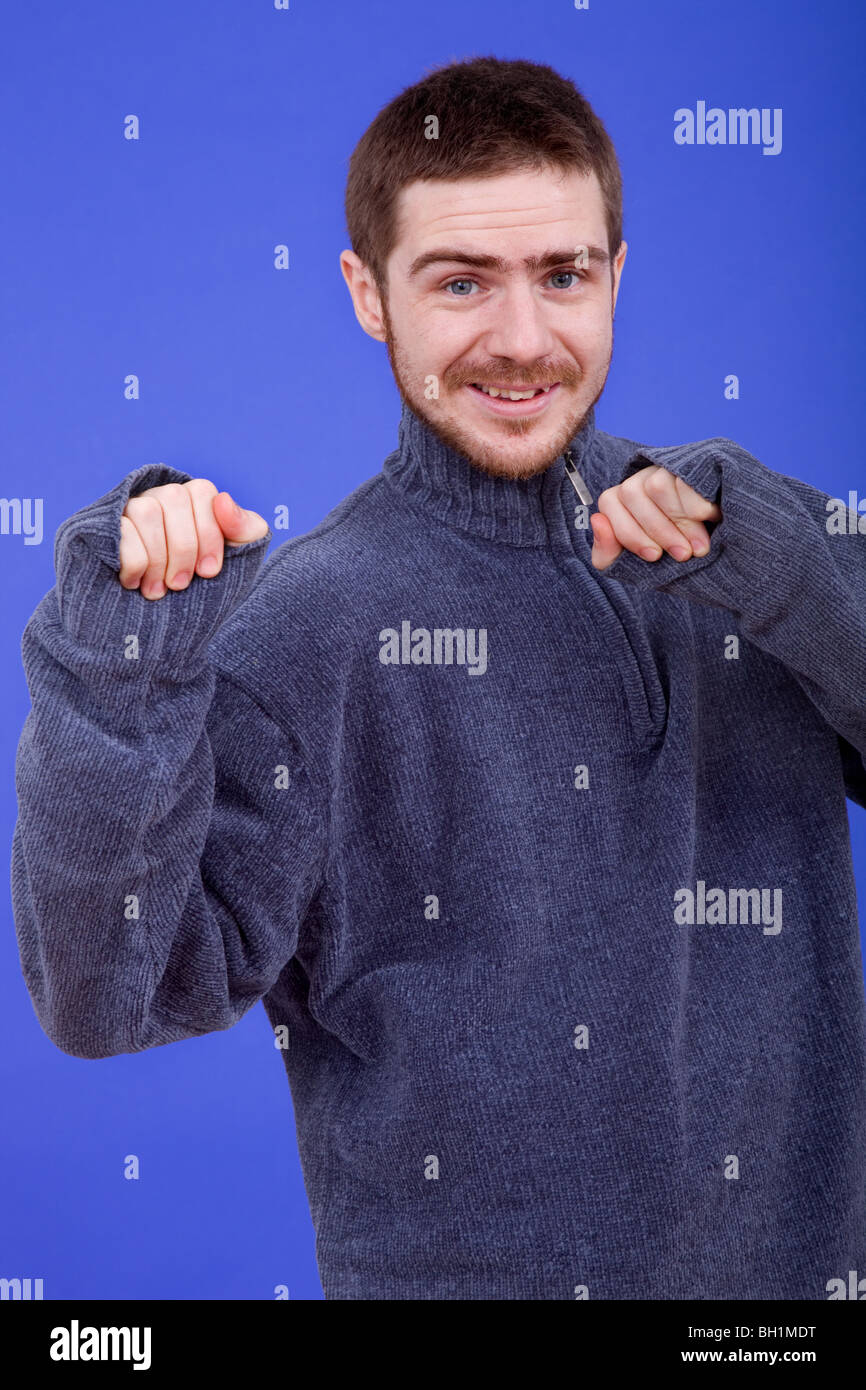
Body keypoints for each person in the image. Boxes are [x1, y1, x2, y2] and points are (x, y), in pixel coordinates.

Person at [11, 56, 866, 1301]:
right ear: (368, 294)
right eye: (459, 281)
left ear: (616, 274)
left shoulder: (748, 543)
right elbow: (104, 993)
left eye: (562, 275)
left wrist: (788, 563)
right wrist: (116, 659)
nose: (520, 341)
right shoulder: (305, 627)